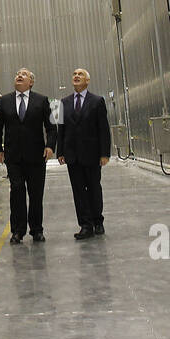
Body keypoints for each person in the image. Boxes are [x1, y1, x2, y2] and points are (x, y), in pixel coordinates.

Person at [0, 68, 56, 244]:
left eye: (24, 74)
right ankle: (18, 231)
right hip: (13, 158)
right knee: (17, 193)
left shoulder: (41, 100)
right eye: (18, 74)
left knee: (36, 195)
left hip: (36, 156)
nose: (19, 75)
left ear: (31, 82)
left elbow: (51, 127)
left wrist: (50, 146)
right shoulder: (4, 101)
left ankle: (36, 230)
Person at [56, 68, 111, 239]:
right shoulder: (63, 102)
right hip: (73, 155)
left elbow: (104, 129)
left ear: (87, 81)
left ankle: (98, 221)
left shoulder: (97, 101)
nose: (76, 76)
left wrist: (105, 153)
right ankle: (85, 225)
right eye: (74, 74)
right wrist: (60, 152)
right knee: (78, 191)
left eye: (80, 75)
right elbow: (61, 129)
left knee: (94, 187)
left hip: (92, 154)